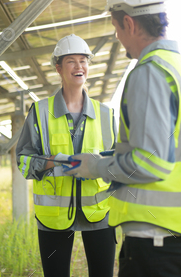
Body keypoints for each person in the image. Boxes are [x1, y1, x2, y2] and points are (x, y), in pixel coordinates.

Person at [65, 0, 181, 277]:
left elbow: (152, 163)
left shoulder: (149, 72)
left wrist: (95, 167)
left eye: (116, 29)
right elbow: (176, 149)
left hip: (155, 242)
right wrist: (105, 158)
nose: (118, 38)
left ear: (129, 23)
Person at [16, 34, 117, 277]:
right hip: (54, 215)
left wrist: (98, 166)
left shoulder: (106, 114)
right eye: (71, 61)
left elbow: (119, 163)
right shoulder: (39, 112)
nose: (79, 66)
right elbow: (23, 161)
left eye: (83, 60)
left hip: (99, 212)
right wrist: (56, 162)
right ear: (58, 68)